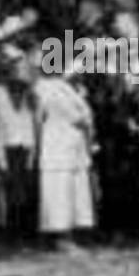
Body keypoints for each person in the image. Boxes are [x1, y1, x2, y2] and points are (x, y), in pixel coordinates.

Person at [32, 47, 96, 250]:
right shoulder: (42, 88)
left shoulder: (67, 87)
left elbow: (86, 115)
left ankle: (74, 236)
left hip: (75, 148)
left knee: (74, 193)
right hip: (56, 148)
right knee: (59, 194)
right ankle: (61, 238)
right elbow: (38, 121)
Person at [0, 46, 37, 243]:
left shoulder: (27, 107)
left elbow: (31, 135)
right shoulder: (0, 100)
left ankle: (25, 234)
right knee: (9, 196)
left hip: (24, 152)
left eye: (20, 88)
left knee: (25, 195)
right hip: (9, 153)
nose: (17, 91)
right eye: (14, 88)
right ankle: (10, 235)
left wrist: (31, 160)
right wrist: (2, 163)